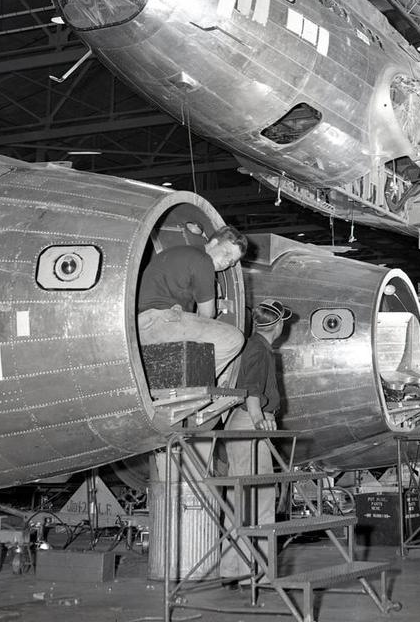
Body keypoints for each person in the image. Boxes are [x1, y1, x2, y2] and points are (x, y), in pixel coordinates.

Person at [219, 299, 293, 582]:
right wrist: (260, 420)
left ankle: (233, 570)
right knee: (261, 499)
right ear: (277, 325)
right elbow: (251, 391)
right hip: (251, 425)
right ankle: (261, 574)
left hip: (241, 425)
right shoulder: (260, 350)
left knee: (240, 501)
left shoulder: (250, 345)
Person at [137, 207, 246, 379]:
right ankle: (191, 386)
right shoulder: (203, 261)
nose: (226, 262)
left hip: (143, 325)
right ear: (213, 243)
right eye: (226, 253)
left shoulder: (181, 253)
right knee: (234, 339)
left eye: (231, 261)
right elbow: (207, 314)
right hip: (160, 322)